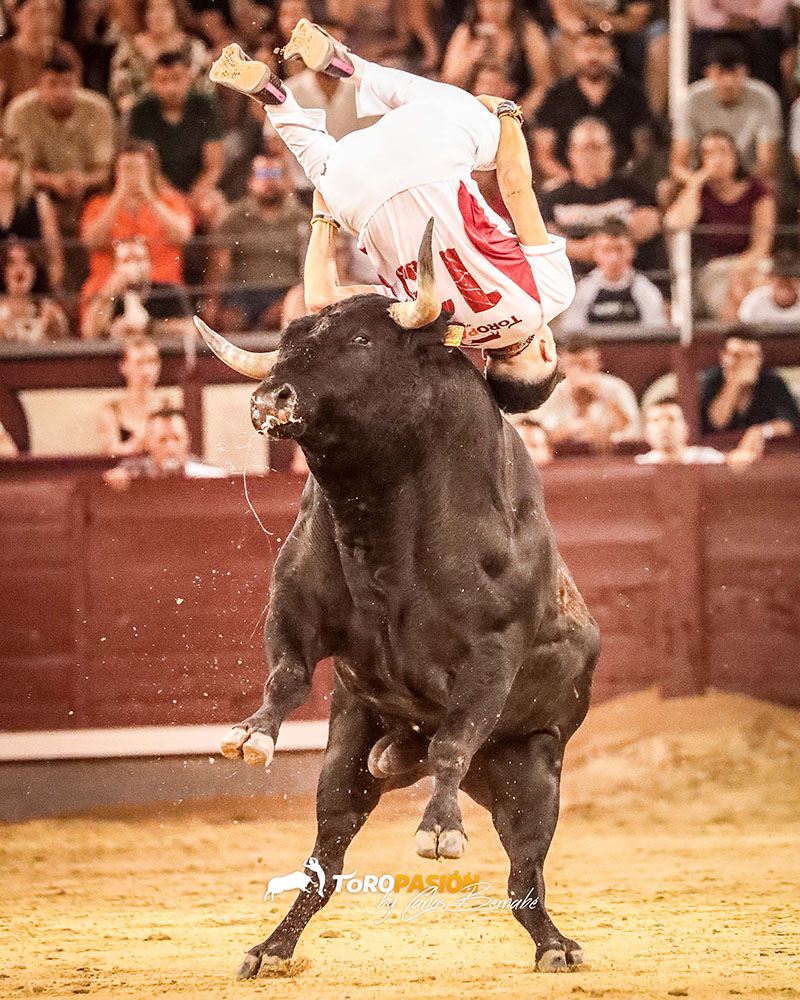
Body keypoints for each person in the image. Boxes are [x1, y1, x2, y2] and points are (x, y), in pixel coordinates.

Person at [208, 20, 578, 410]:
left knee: (469, 117)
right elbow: (320, 296)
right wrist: (324, 211)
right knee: (322, 166)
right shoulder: (439, 332)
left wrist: (507, 115)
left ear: (547, 353)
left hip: (433, 157)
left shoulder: (551, 299)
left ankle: (349, 66)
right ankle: (275, 99)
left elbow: (517, 188)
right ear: (487, 361)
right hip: (356, 189)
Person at [665, 129, 775, 320]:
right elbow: (676, 222)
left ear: (735, 156)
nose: (717, 158)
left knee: (757, 290)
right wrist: (696, 183)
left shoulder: (758, 192)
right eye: (709, 153)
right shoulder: (700, 192)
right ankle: (737, 343)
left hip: (752, 263)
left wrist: (740, 269)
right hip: (715, 269)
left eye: (723, 151)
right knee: (732, 298)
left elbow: (762, 246)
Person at [3, 54, 115, 238]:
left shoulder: (98, 109)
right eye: (53, 84)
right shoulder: (19, 111)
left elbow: (105, 170)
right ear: (39, 85)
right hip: (35, 197)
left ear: (78, 83)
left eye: (67, 84)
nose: (60, 92)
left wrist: (82, 181)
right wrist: (53, 182)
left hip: (89, 195)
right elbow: (16, 168)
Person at [537, 118, 662, 277]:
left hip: (631, 278)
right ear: (571, 153)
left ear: (610, 151)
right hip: (573, 280)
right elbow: (544, 236)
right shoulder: (552, 198)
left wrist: (608, 246)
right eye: (584, 148)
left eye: (596, 147)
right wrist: (580, 249)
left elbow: (651, 221)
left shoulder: (633, 189)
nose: (590, 155)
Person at [80, 141, 194, 309]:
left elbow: (182, 235)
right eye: (127, 169)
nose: (132, 175)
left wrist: (150, 198)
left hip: (161, 289)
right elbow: (91, 241)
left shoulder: (170, 200)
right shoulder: (98, 204)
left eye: (138, 169)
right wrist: (119, 197)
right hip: (109, 290)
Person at [532, 27, 651, 186]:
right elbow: (543, 154)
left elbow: (642, 149)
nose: (593, 57)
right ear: (574, 53)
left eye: (600, 49)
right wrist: (574, 181)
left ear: (613, 53)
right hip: (566, 183)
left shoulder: (631, 94)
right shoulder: (556, 96)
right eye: (586, 49)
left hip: (620, 184)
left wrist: (617, 179)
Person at [206, 154, 306, 330]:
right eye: (262, 175)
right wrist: (212, 302)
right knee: (230, 320)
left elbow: (309, 263)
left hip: (283, 291)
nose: (269, 181)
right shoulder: (234, 216)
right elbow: (219, 264)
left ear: (286, 179)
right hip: (241, 292)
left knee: (284, 316)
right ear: (250, 180)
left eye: (275, 174)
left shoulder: (301, 217)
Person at [672, 39, 781, 184]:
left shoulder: (765, 97)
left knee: (770, 184)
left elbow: (766, 162)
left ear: (745, 72)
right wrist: (700, 182)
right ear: (708, 72)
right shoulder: (691, 99)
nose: (728, 81)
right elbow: (678, 164)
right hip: (702, 177)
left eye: (734, 73)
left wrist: (734, 188)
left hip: (746, 178)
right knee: (666, 189)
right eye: (721, 73)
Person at [128, 49, 224, 207]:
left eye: (176, 79)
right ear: (152, 82)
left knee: (211, 207)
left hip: (199, 192)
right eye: (163, 81)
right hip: (157, 192)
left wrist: (196, 196)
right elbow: (151, 170)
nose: (171, 88)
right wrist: (176, 201)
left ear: (189, 77)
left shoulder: (206, 106)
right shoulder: (141, 111)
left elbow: (214, 164)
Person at [527, 333, 642, 448]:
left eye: (585, 364)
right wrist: (576, 427)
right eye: (572, 365)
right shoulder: (550, 392)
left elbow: (633, 432)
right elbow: (536, 436)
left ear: (597, 363)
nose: (579, 371)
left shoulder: (617, 388)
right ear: (561, 366)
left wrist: (604, 398)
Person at [441, 0, 553, 117]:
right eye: (486, 3)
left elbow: (543, 82)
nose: (493, 9)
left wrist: (518, 114)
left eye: (498, 3)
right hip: (473, 108)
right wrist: (469, 57)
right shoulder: (467, 32)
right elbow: (449, 79)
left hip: (515, 108)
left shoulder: (527, 31)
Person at [560, 218, 667, 331]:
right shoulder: (583, 291)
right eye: (607, 250)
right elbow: (573, 332)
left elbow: (656, 333)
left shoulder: (646, 290)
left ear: (632, 251)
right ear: (595, 253)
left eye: (619, 250)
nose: (613, 258)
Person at [109, 0, 212, 114]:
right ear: (144, 14)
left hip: (190, 117)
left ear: (176, 12)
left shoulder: (196, 49)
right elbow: (120, 93)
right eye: (152, 9)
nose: (159, 15)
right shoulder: (129, 49)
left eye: (165, 8)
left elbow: (207, 90)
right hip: (144, 117)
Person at [81, 237, 193, 339]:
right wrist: (109, 291)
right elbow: (89, 332)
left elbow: (190, 330)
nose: (134, 266)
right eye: (126, 260)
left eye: (139, 259)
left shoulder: (169, 290)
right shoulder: (107, 295)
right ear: (115, 267)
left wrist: (149, 326)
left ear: (150, 264)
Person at [700, 336, 800, 444]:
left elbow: (789, 423)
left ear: (760, 359)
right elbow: (716, 423)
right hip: (719, 449)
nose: (744, 363)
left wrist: (762, 431)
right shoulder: (711, 380)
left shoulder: (772, 382)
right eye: (737, 356)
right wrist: (734, 384)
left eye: (751, 356)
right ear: (723, 357)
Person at [0, 136, 64, 289]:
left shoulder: (40, 203)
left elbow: (55, 261)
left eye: (10, 161)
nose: (3, 168)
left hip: (35, 292)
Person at [104, 406, 226, 485]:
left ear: (187, 440)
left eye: (177, 438)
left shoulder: (204, 470)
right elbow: (116, 476)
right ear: (148, 443)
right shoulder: (133, 469)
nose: (171, 447)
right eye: (162, 440)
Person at [634, 397, 768, 468]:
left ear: (686, 429)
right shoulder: (639, 466)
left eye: (671, 419)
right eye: (656, 420)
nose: (664, 426)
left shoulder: (706, 458)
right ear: (646, 432)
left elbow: (737, 459)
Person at [0, 0, 82, 111]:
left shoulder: (65, 53)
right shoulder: (4, 55)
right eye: (34, 12)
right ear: (16, 15)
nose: (41, 18)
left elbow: (77, 96)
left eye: (46, 12)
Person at [98, 337, 172, 456]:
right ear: (124, 366)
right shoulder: (112, 411)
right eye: (139, 363)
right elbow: (110, 453)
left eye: (152, 362)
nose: (146, 371)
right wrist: (137, 444)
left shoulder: (168, 406)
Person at [0, 242, 69, 343]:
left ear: (35, 270)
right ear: (3, 271)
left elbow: (63, 346)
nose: (20, 269)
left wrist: (53, 327)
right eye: (12, 263)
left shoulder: (50, 311)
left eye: (26, 262)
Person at [738, 252, 800, 326]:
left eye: (790, 278)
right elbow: (744, 331)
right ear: (770, 280)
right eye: (780, 279)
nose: (785, 282)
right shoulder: (755, 300)